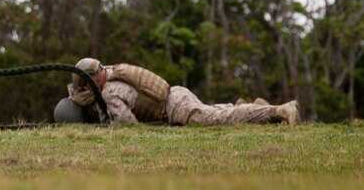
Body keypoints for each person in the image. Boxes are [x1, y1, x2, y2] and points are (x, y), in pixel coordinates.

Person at [54, 58, 301, 126]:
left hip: (173, 106)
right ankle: (245, 106)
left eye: (85, 86)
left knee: (214, 120)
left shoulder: (109, 93)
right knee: (215, 113)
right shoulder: (109, 72)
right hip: (175, 96)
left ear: (92, 81)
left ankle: (278, 110)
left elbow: (127, 130)